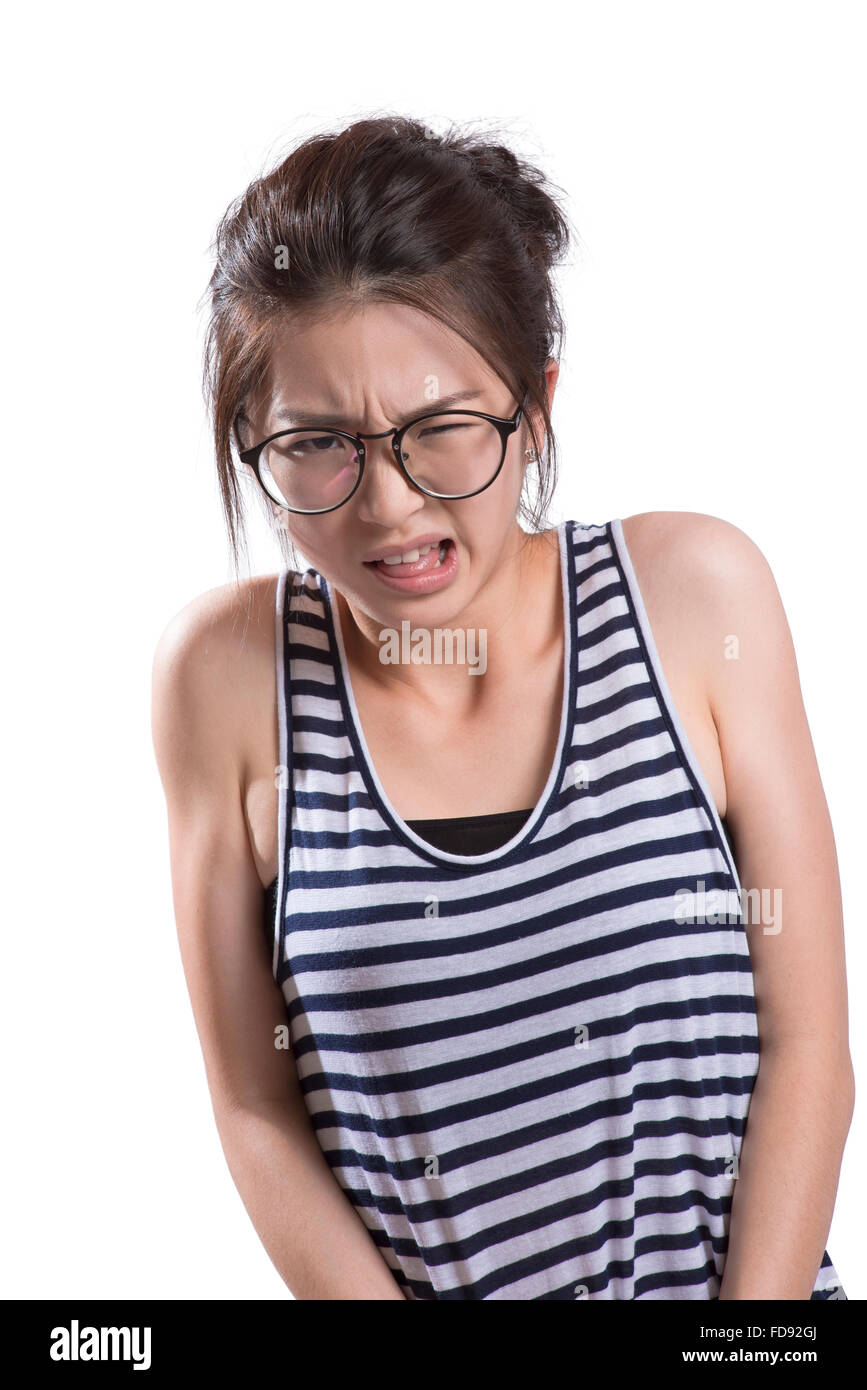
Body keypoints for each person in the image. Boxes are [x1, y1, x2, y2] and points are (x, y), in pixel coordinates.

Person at [151, 114, 853, 1300]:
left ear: (534, 407)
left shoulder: (694, 596)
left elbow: (811, 1051)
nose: (388, 504)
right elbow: (253, 1105)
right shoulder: (222, 681)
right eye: (319, 444)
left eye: (443, 430)